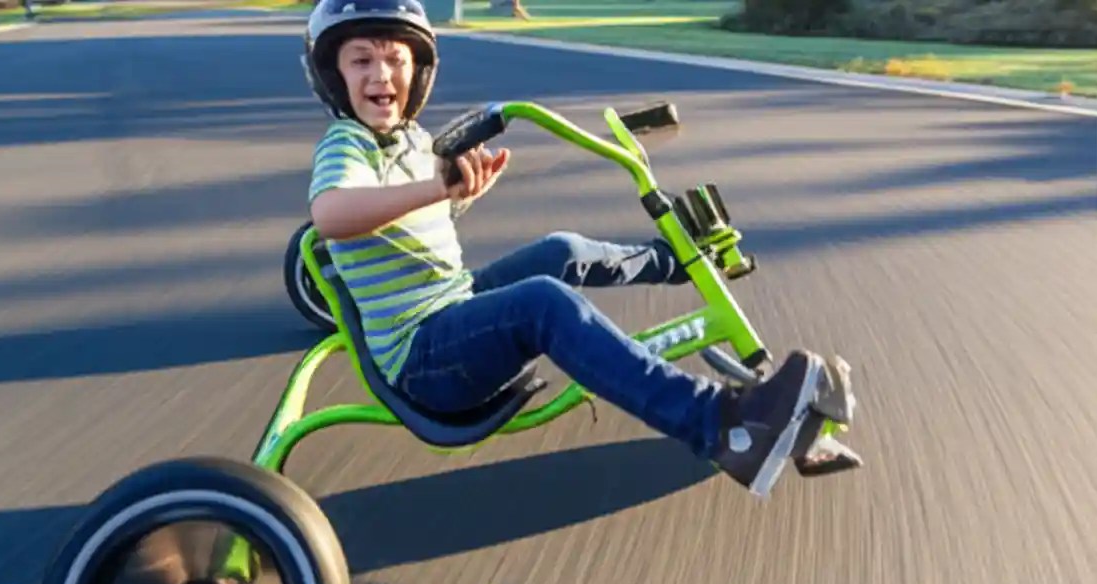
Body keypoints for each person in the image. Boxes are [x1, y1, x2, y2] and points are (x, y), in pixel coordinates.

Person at [300, 0, 831, 493]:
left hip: (451, 306)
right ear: (333, 75)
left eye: (395, 59)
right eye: (361, 60)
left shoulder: (414, 139)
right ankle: (721, 426)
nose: (381, 75)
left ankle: (680, 261)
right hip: (425, 360)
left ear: (419, 72)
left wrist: (461, 193)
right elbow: (330, 216)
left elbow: (414, 219)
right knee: (543, 302)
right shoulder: (346, 143)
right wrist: (437, 187)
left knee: (561, 249)